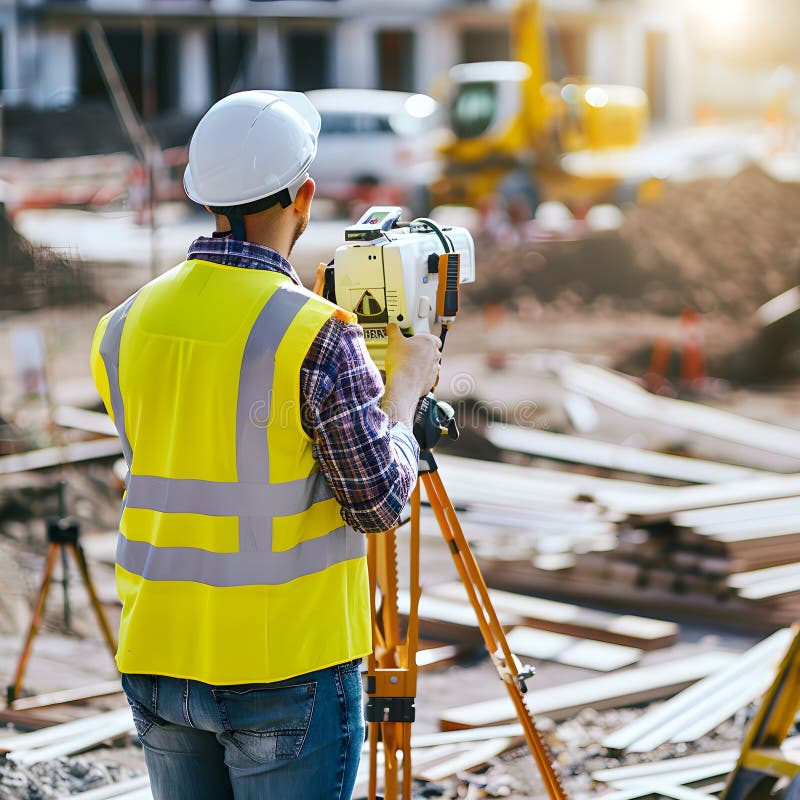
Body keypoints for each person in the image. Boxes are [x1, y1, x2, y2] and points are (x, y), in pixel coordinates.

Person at [89, 90, 441, 800]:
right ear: (304, 195)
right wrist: (402, 393)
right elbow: (376, 502)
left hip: (158, 656)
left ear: (205, 198)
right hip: (286, 671)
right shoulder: (317, 334)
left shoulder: (123, 325)